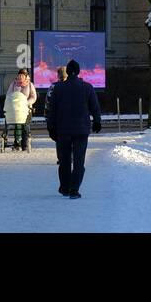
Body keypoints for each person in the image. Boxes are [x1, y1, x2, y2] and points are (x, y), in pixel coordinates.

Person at [45, 59, 102, 199]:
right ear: (78, 72)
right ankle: (74, 189)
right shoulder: (87, 87)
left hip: (63, 130)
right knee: (78, 161)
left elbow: (52, 111)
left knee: (64, 161)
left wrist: (51, 128)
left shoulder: (57, 88)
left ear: (67, 72)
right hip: (81, 130)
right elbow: (95, 107)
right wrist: (97, 122)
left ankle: (65, 187)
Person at [4, 69, 37, 150]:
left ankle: (24, 143)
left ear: (26, 76)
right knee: (16, 122)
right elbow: (8, 95)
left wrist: (27, 102)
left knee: (25, 125)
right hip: (15, 107)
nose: (20, 77)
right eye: (19, 75)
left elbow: (33, 96)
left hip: (26, 108)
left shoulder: (29, 85)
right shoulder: (14, 84)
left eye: (22, 75)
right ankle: (17, 142)